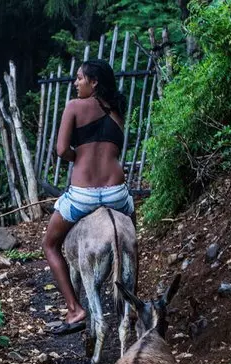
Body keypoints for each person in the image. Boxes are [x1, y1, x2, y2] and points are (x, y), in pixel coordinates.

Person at [43, 58, 133, 336]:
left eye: (80, 78)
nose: (76, 83)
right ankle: (132, 296)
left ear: (94, 82)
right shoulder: (118, 110)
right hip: (117, 193)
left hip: (83, 195)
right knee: (130, 226)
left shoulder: (73, 106)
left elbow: (60, 150)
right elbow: (113, 150)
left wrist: (77, 156)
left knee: (49, 244)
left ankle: (75, 309)